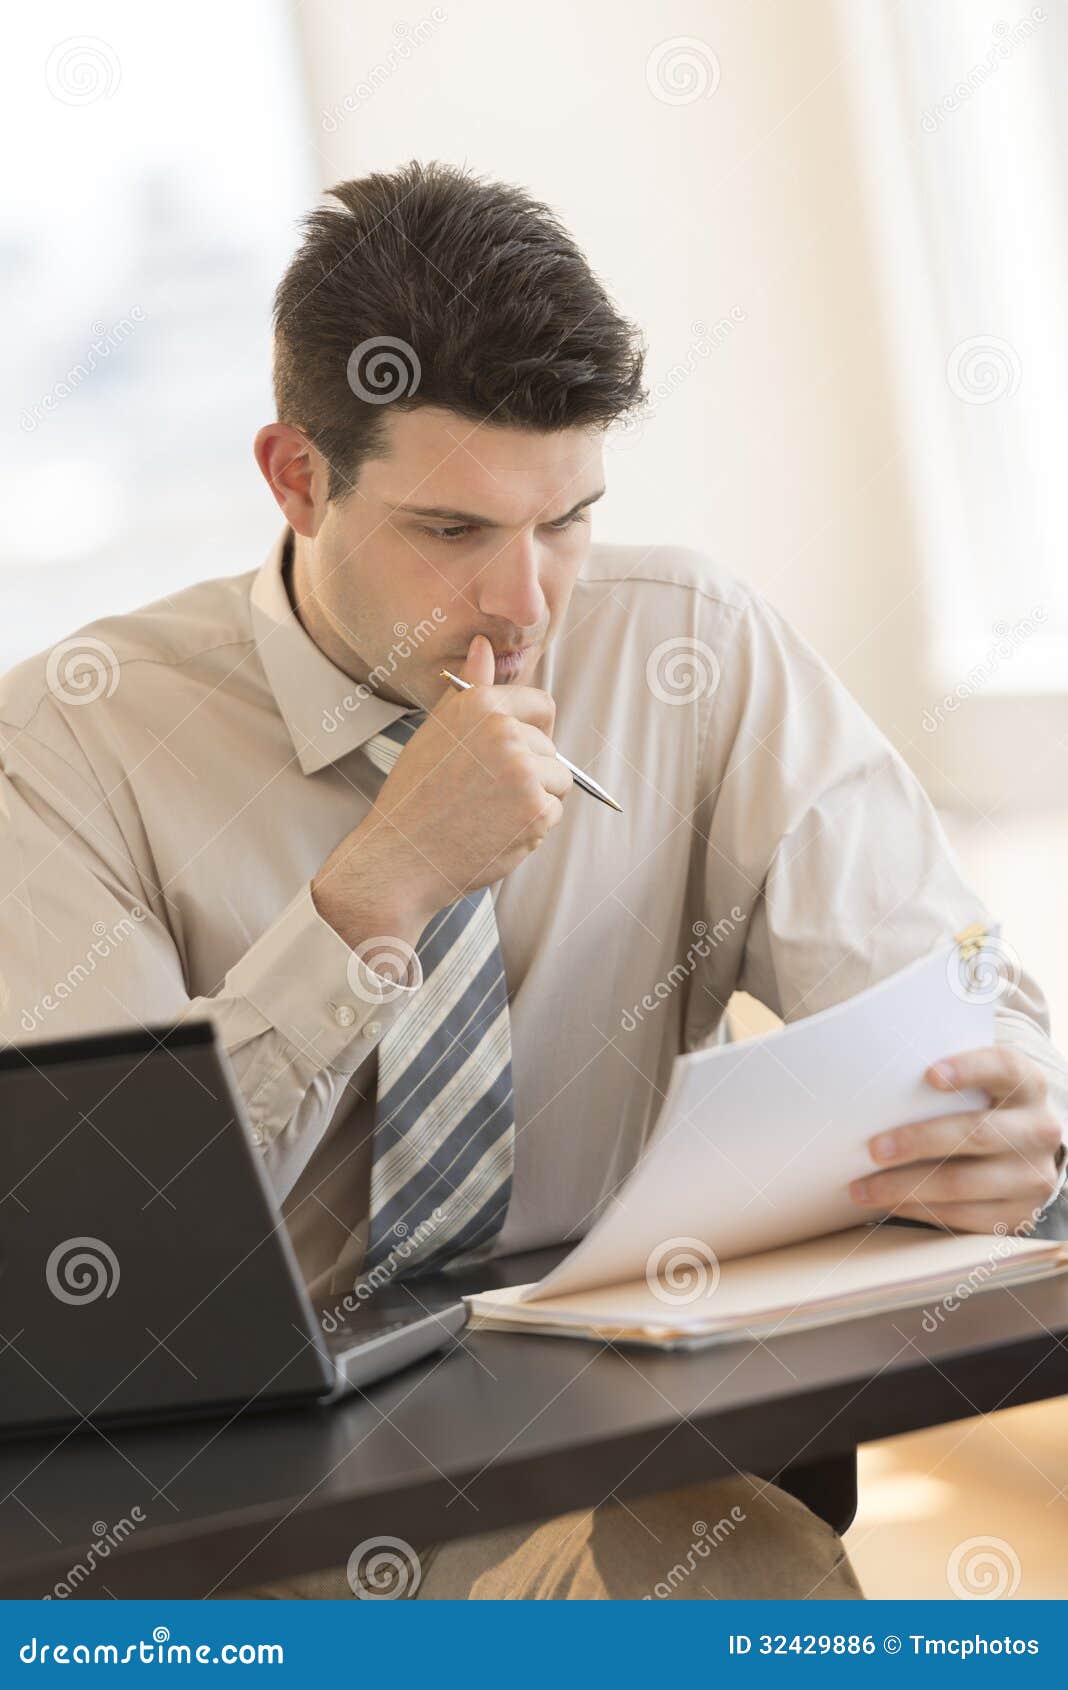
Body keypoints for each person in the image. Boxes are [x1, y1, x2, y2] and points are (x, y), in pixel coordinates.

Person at [2, 161, 1065, 1601]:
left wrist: (999, 1100)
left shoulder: (692, 645)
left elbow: (944, 1005)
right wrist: (372, 901)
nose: (528, 601)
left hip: (631, 1469)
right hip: (230, 1539)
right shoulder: (70, 740)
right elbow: (99, 1258)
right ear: (296, 475)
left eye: (566, 518)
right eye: (453, 531)